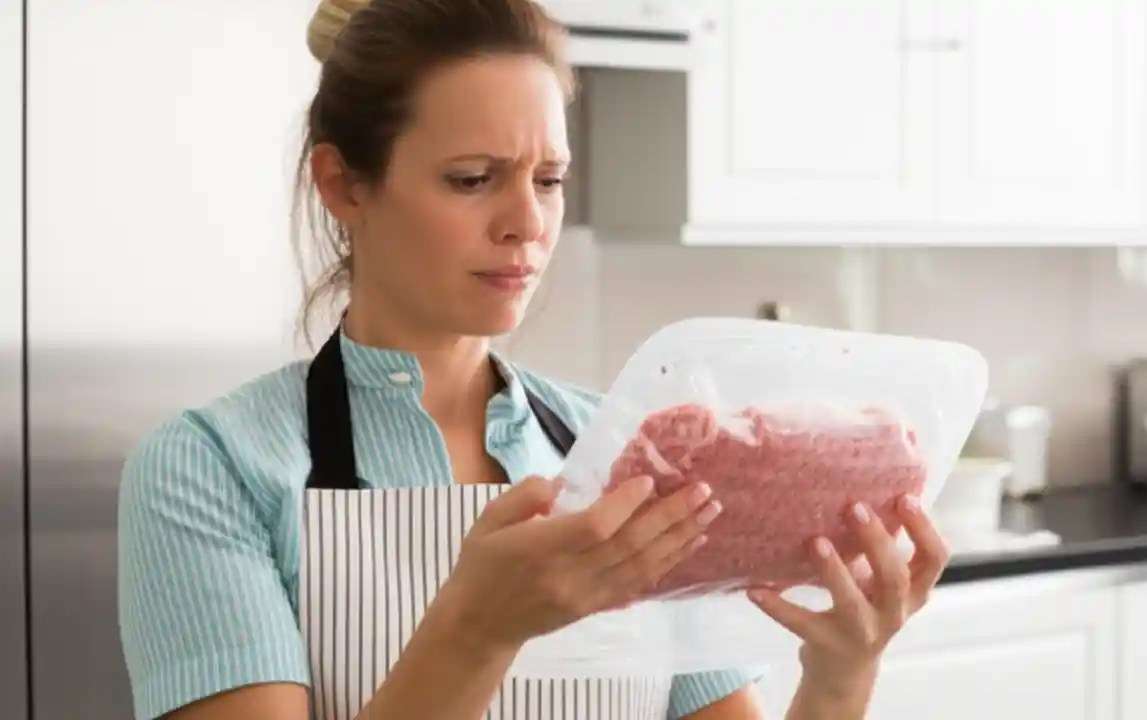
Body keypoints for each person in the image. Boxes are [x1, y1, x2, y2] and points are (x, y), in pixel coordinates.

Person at [115, 1, 951, 718]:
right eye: (474, 178)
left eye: (548, 179)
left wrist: (840, 678)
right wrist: (477, 629)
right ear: (343, 184)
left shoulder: (629, 447)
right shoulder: (214, 467)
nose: (527, 223)